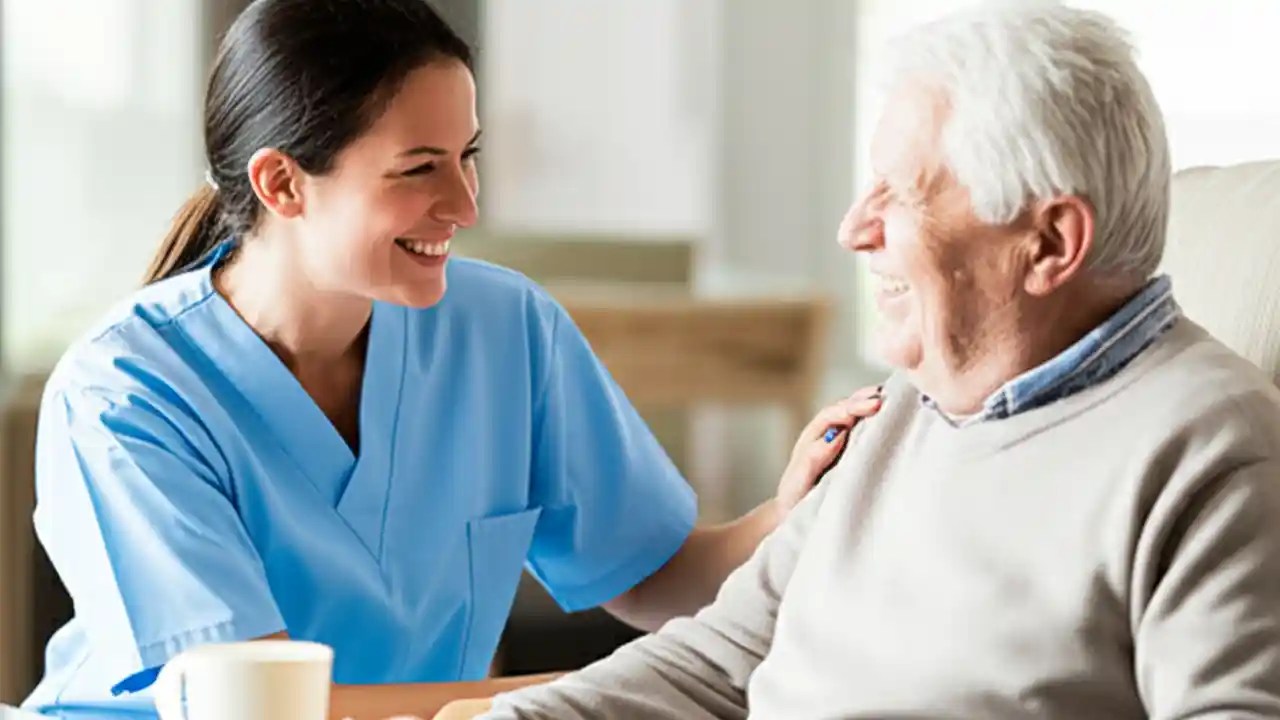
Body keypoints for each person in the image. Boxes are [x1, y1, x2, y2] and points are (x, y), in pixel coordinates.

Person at [21, 1, 883, 717]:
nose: (466, 203)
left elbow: (660, 575)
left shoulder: (506, 329)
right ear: (283, 184)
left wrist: (790, 515)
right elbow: (259, 710)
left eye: (466, 156)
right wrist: (597, 696)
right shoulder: (125, 393)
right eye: (419, 168)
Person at [472, 2, 1280, 719]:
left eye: (901, 194)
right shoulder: (905, 409)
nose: (854, 229)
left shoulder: (1213, 451)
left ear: (1049, 244)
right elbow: (716, 662)